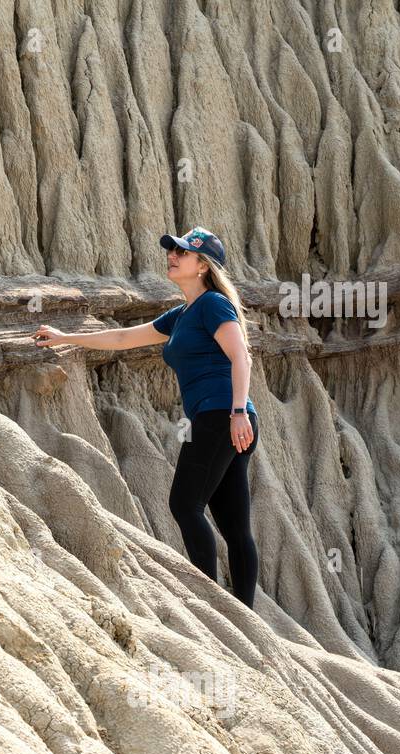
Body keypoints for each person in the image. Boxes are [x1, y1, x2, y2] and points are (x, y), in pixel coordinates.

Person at [30, 228, 261, 608]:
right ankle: (243, 616)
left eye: (182, 253)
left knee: (185, 506)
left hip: (224, 416)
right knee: (234, 526)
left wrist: (237, 412)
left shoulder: (214, 305)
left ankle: (217, 607)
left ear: (203, 265)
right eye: (172, 250)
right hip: (225, 417)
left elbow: (241, 357)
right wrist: (64, 337)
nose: (172, 255)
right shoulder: (182, 314)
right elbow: (122, 339)